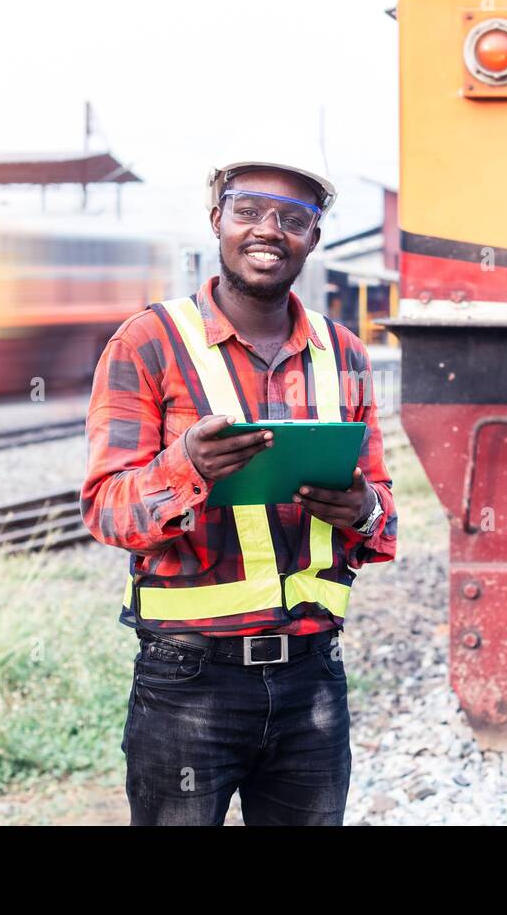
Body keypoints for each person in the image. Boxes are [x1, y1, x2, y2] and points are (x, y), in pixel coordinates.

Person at [80, 150, 397, 825]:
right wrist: (186, 467)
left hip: (313, 677)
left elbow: (384, 510)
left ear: (314, 237)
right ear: (217, 219)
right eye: (249, 211)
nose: (268, 230)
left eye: (293, 218)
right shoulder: (148, 343)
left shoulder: (344, 354)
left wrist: (363, 509)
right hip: (188, 683)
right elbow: (107, 509)